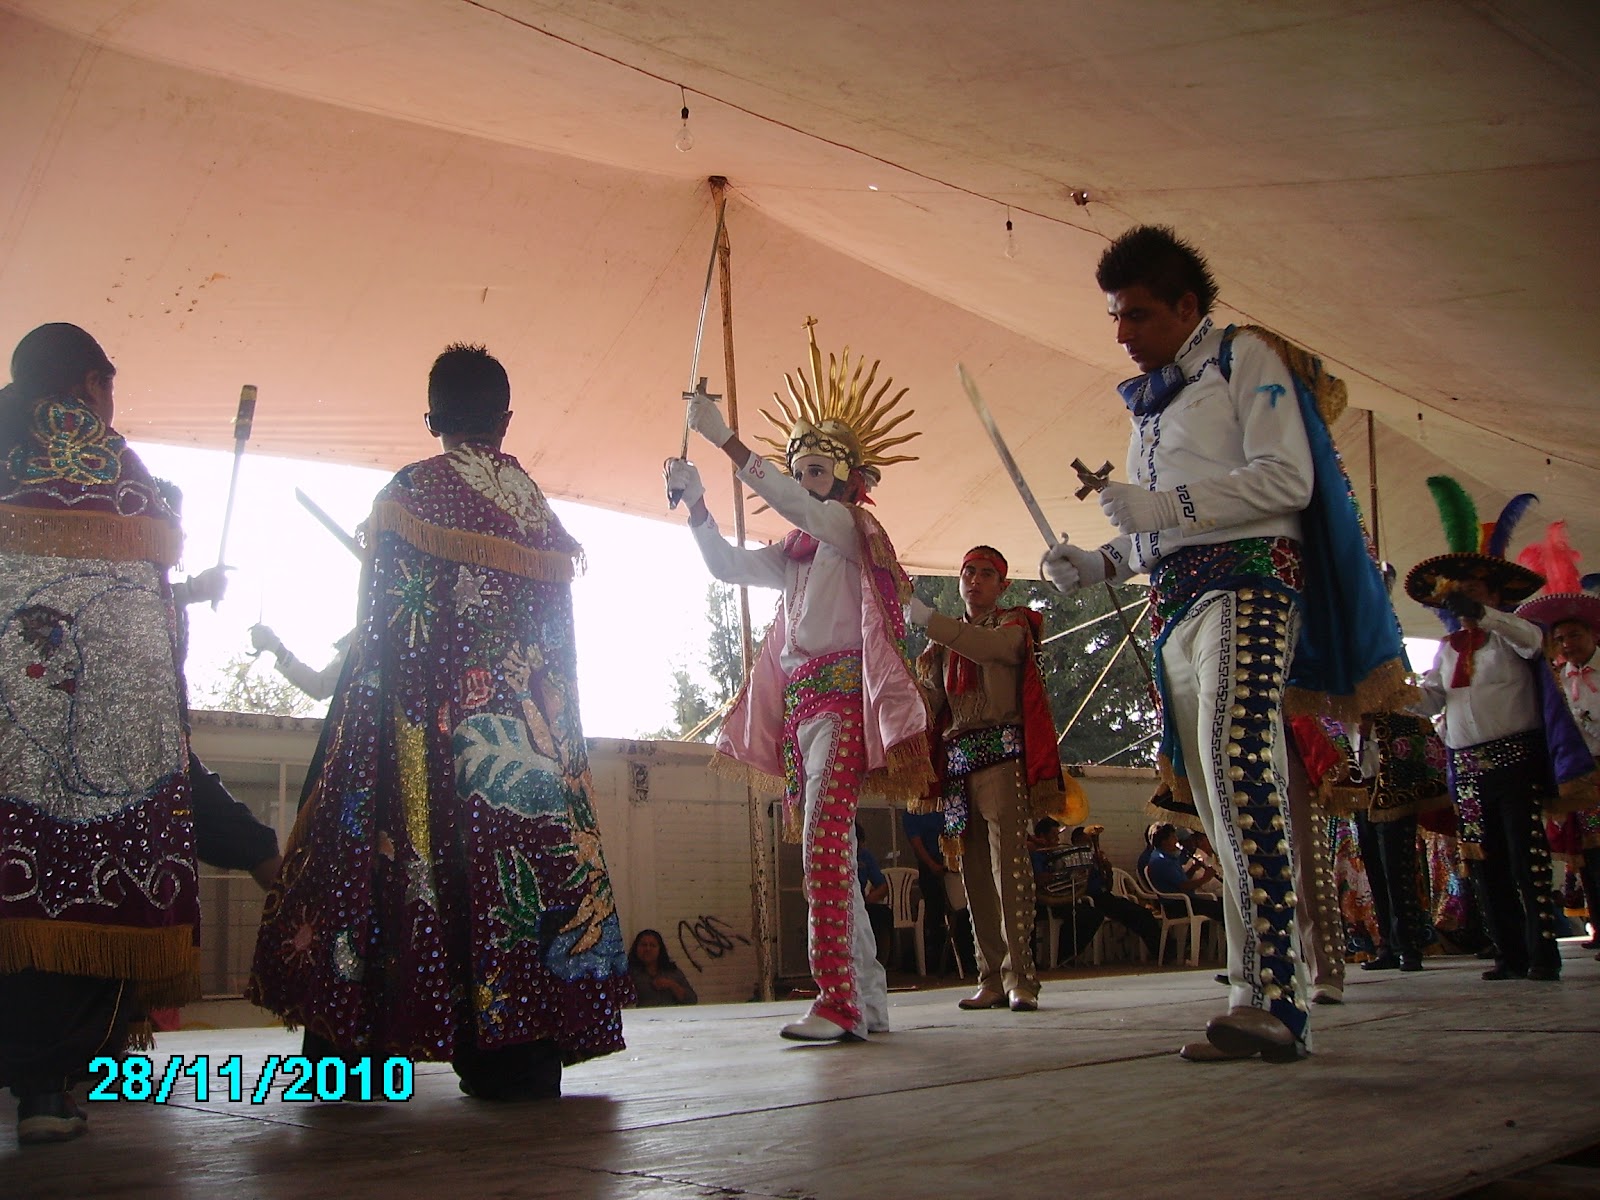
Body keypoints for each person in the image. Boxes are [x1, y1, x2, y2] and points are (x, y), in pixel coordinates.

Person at [1041, 226, 1413, 1063]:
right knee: (1214, 796)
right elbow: (1151, 534)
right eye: (1115, 317)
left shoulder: (1245, 358)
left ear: (1186, 306)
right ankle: (1251, 991)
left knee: (1238, 767)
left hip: (1250, 586)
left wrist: (1163, 510)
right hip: (1176, 603)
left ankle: (1281, 999)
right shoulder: (1148, 404)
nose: (1122, 333)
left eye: (1136, 314)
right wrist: (1095, 563)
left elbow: (1289, 480)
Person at [248, 343, 632, 1101]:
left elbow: (384, 636)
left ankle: (351, 1063)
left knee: (375, 860)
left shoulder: (409, 494)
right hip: (530, 762)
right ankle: (517, 1059)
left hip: (430, 743)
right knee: (514, 890)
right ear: (505, 419)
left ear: (432, 419)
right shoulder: (541, 518)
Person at [663, 320, 933, 1043]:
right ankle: (867, 1003)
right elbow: (727, 568)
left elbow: (795, 504)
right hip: (804, 709)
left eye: (817, 469)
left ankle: (838, 1002)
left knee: (822, 845)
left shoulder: (846, 528)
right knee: (831, 856)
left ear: (844, 479)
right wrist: (697, 508)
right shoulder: (799, 555)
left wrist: (727, 441)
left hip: (844, 702)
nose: (806, 479)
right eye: (800, 466)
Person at [0, 323, 201, 1143]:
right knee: (81, 887)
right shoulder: (113, 467)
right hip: (94, 748)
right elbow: (129, 632)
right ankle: (50, 1086)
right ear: (90, 384)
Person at [1406, 480, 1595, 983]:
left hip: (1517, 759)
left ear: (1495, 595)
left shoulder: (1517, 635)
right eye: (1461, 593)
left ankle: (1542, 953)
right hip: (1465, 768)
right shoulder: (1447, 649)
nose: (1466, 599)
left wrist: (1486, 616)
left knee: (1525, 862)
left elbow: (1533, 640)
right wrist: (1390, 694)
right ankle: (1507, 953)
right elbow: (1429, 701)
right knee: (1483, 864)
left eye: (1477, 590)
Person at [907, 545, 1082, 1013]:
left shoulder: (1013, 625)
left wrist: (927, 618)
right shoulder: (940, 646)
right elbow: (931, 709)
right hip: (961, 761)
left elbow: (989, 649)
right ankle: (989, 976)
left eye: (987, 574)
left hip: (1002, 756)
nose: (975, 580)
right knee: (975, 875)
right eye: (968, 572)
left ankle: (1021, 978)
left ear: (1003, 586)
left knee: (1011, 870)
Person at [154, 480, 283, 892]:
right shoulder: (127, 591)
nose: (184, 535)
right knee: (253, 843)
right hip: (144, 757)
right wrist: (192, 590)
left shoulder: (158, 591)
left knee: (252, 841)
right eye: (173, 523)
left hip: (167, 751)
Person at [1516, 559, 1600, 958]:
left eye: (1575, 635)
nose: (1568, 643)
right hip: (1580, 777)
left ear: (1592, 634)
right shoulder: (1555, 680)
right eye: (1561, 637)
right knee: (1588, 855)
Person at [901, 807, 977, 976]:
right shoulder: (911, 812)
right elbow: (917, 843)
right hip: (932, 865)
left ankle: (969, 960)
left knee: (963, 911)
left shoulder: (942, 805)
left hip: (953, 862)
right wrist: (932, 865)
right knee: (935, 914)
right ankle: (938, 963)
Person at [247, 624, 354, 701]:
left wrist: (276, 647)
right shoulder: (358, 644)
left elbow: (321, 687)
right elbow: (321, 686)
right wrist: (276, 648)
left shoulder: (360, 643)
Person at [1144, 824, 1223, 923]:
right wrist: (1205, 878)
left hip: (1184, 901)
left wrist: (1193, 868)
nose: (1177, 840)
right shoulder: (1162, 861)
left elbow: (1182, 880)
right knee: (1220, 909)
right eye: (1173, 837)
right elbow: (1184, 886)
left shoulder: (1167, 856)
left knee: (1221, 904)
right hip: (1177, 905)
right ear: (1164, 842)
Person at [627, 930, 698, 1007]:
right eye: (644, 945)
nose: (648, 949)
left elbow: (692, 1000)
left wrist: (672, 985)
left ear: (660, 949)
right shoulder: (627, 973)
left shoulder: (672, 971)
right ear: (636, 948)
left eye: (652, 945)